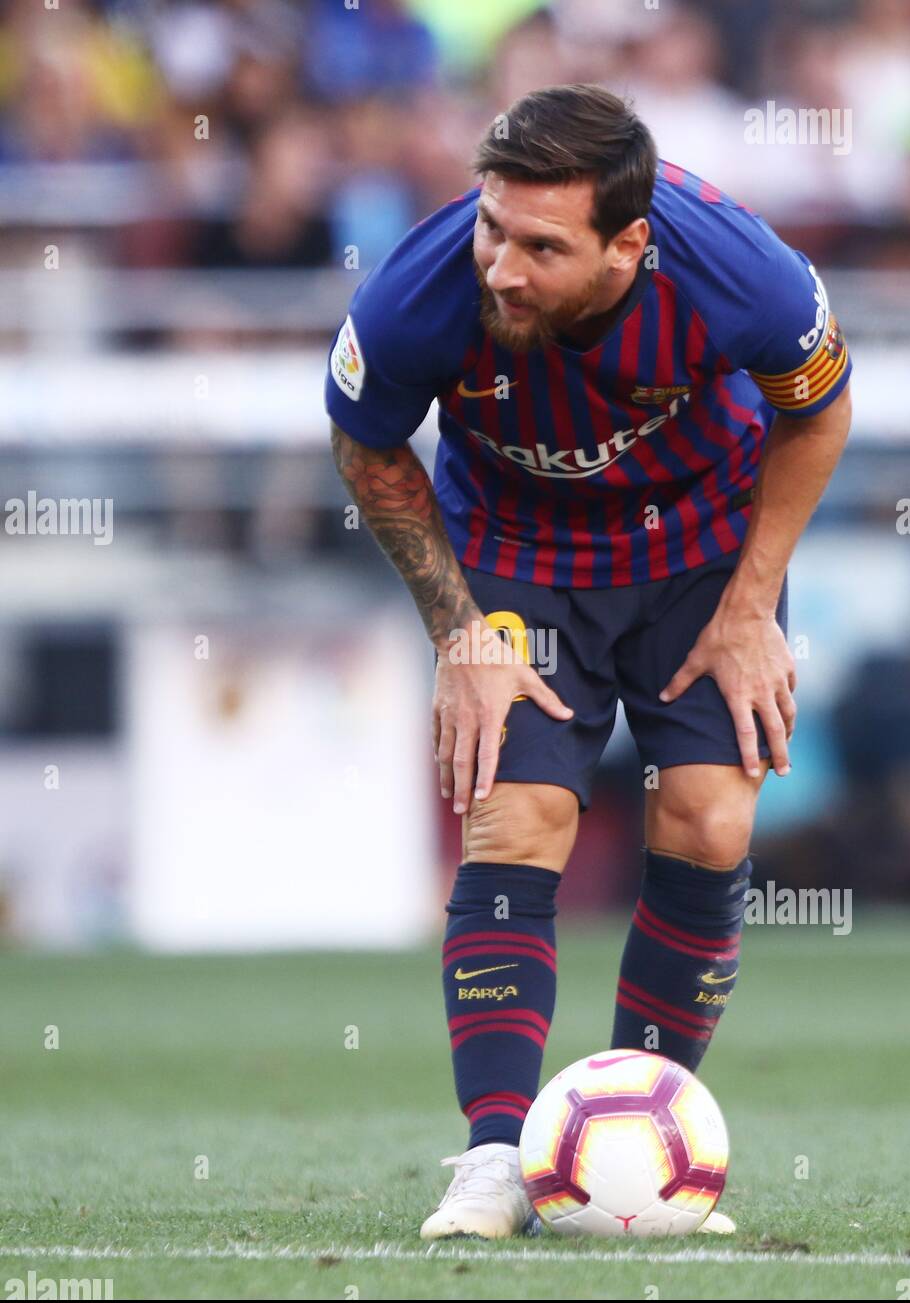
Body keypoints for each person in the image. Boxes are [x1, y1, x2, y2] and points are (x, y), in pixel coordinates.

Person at [325, 84, 852, 1239]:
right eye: (491, 227)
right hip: (517, 558)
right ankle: (494, 1159)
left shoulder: (737, 274)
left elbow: (818, 409)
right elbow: (366, 448)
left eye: (540, 247)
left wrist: (752, 601)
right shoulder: (422, 291)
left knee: (708, 821)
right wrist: (459, 633)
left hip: (700, 555)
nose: (502, 269)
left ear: (628, 244)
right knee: (515, 823)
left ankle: (635, 1131)